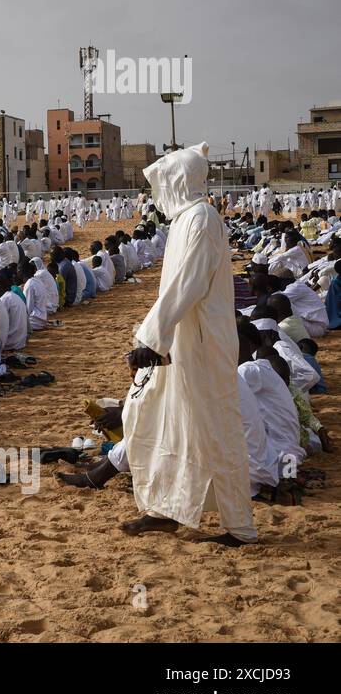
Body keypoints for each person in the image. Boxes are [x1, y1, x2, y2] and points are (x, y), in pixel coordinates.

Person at [121, 143, 256, 546]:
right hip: (178, 341)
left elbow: (189, 286)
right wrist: (157, 337)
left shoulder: (201, 218)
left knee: (214, 430)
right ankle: (166, 509)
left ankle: (239, 528)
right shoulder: (184, 220)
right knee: (160, 420)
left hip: (200, 344)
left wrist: (151, 336)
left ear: (177, 181)